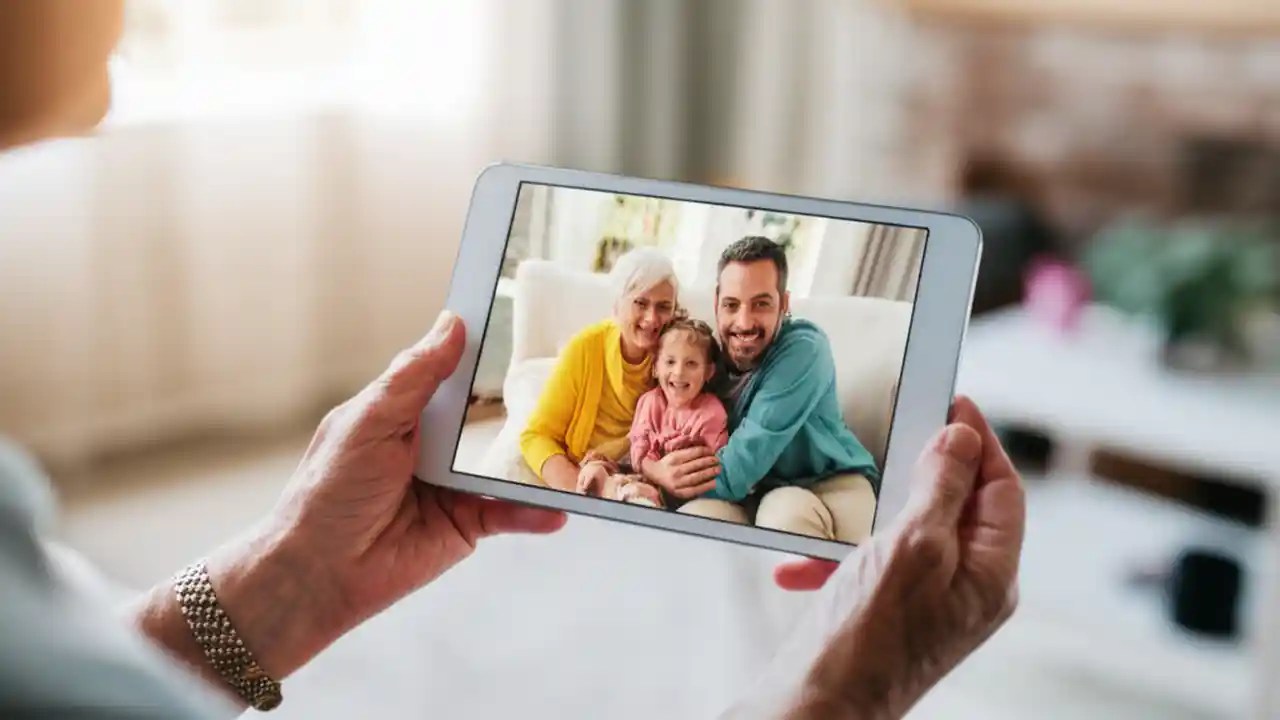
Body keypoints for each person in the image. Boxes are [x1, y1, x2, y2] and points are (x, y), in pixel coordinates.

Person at [0, 4, 1025, 718]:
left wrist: (293, 572)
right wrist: (848, 692)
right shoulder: (606, 354)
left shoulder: (753, 361)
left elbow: (718, 445)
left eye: (674, 312)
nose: (667, 331)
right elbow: (564, 436)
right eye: (658, 309)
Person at [647, 236, 880, 544]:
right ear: (716, 302)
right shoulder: (702, 361)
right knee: (693, 522)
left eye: (761, 304)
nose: (744, 323)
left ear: (784, 304)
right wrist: (653, 471)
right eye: (731, 305)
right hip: (750, 493)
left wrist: (666, 481)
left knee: (786, 520)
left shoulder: (804, 350)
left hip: (829, 482)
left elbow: (737, 470)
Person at [519, 247, 679, 492]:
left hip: (642, 481)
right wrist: (579, 492)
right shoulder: (585, 348)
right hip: (584, 474)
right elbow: (536, 436)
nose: (652, 318)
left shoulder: (677, 358)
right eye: (640, 303)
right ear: (617, 303)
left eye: (663, 307)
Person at [578, 316, 729, 508]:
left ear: (708, 372)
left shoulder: (711, 413)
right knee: (596, 468)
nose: (679, 372)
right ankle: (606, 490)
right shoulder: (649, 401)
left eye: (691, 363)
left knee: (637, 491)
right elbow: (637, 447)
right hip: (642, 472)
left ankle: (629, 496)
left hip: (680, 490)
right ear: (655, 367)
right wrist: (649, 467)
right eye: (670, 362)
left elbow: (702, 465)